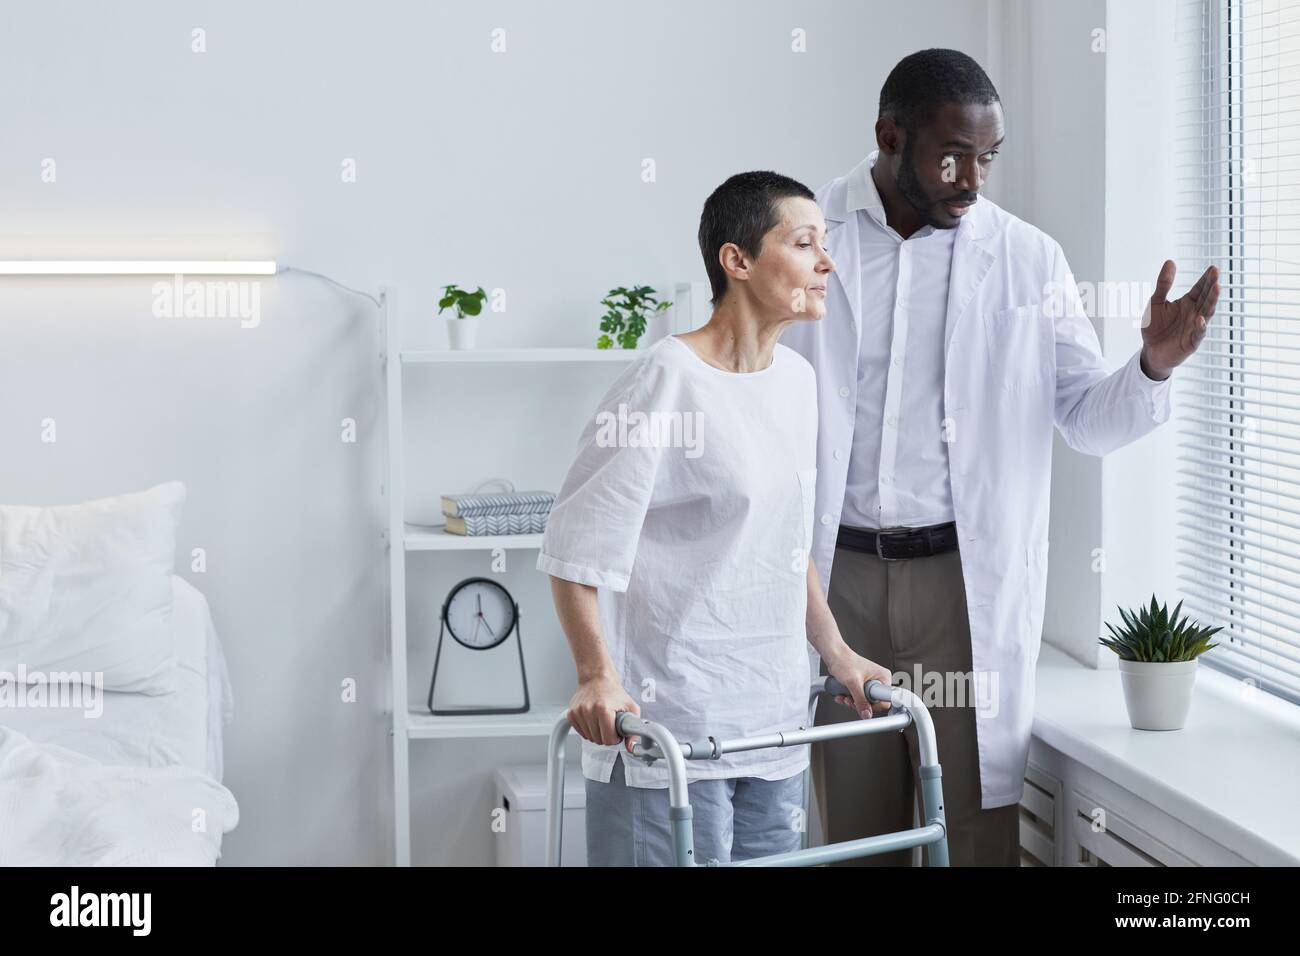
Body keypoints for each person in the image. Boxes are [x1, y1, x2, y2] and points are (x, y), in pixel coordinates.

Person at [782, 48, 1219, 866]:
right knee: (858, 833)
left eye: (988, 158)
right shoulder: (805, 239)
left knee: (976, 826)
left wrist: (1152, 365)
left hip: (964, 584)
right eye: (954, 156)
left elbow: (1086, 419)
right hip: (838, 581)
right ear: (888, 136)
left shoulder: (1028, 258)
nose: (974, 180)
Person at [538, 170, 892, 866]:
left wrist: (838, 653)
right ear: (737, 261)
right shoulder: (665, 379)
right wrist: (594, 676)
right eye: (803, 243)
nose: (826, 262)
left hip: (774, 724)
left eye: (827, 244)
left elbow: (786, 548)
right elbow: (575, 545)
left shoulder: (797, 383)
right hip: (670, 728)